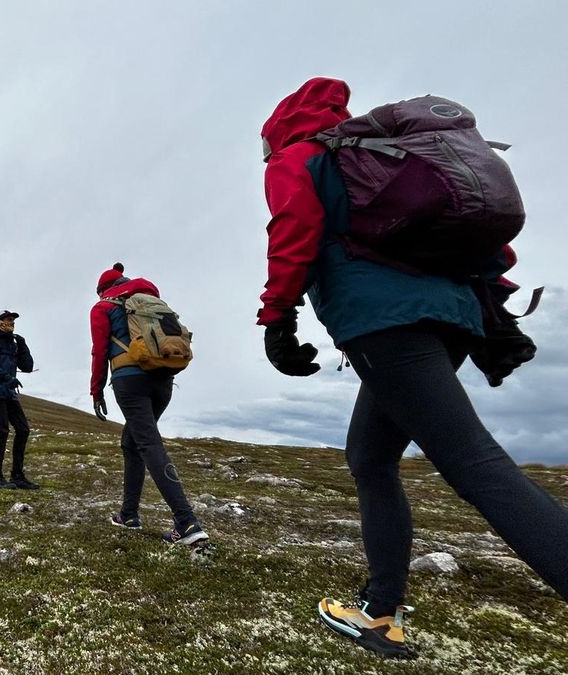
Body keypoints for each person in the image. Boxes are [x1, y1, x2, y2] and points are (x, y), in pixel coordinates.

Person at [258, 77, 567, 659]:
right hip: (450, 318)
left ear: (276, 130)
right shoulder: (384, 157)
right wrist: (490, 312)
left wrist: (278, 316)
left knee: (473, 463)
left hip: (382, 323)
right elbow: (497, 254)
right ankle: (381, 613)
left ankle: (383, 611)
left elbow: (292, 230)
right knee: (369, 458)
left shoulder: (301, 157)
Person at [90, 263, 209, 546]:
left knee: (149, 444)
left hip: (129, 381)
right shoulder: (151, 298)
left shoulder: (103, 308)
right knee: (132, 443)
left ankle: (187, 522)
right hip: (163, 379)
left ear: (103, 290)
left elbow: (99, 350)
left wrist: (96, 391)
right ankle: (128, 515)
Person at [0, 311, 38, 490]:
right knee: (2, 429)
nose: (11, 322)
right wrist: (6, 378)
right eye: (7, 319)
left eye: (12, 320)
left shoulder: (14, 345)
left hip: (9, 392)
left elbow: (27, 367)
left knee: (23, 429)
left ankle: (17, 475)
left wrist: (23, 344)